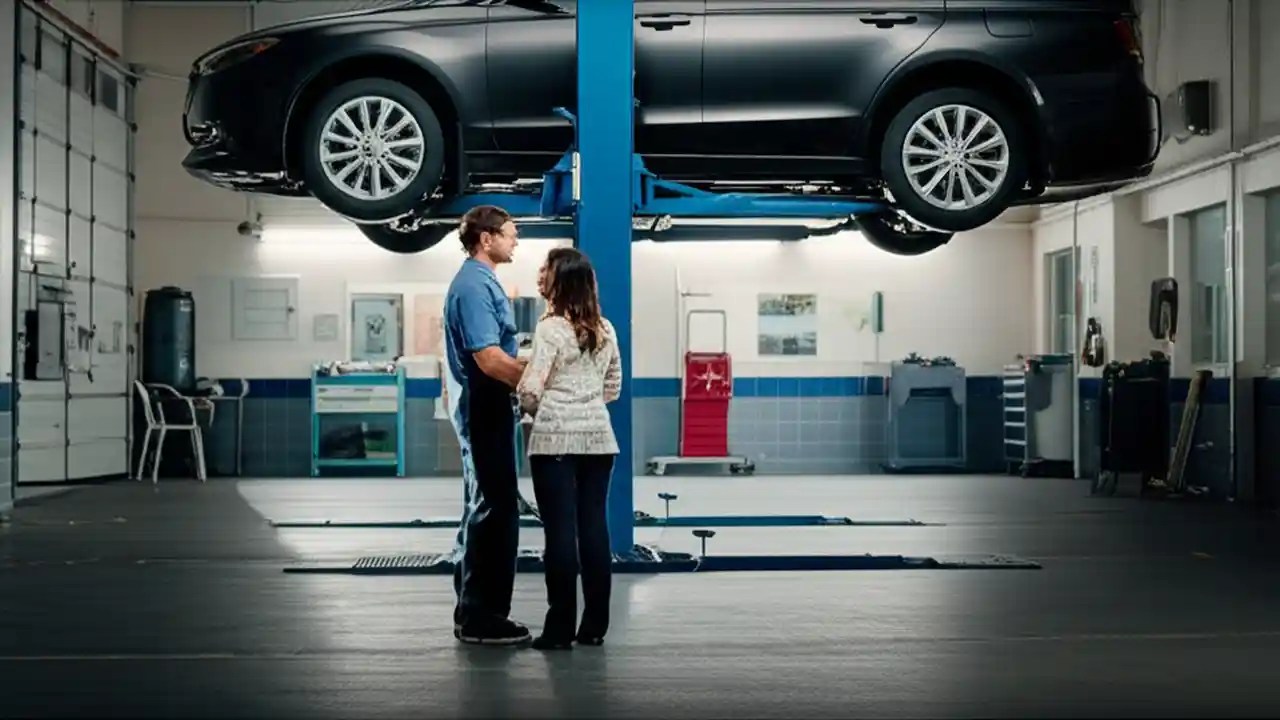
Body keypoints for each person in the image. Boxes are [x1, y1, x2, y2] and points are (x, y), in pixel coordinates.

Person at [516, 247, 621, 650]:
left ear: (559, 281)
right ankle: (594, 627)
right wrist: (586, 405)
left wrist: (536, 408)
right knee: (594, 529)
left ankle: (559, 629)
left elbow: (530, 388)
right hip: (599, 439)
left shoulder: (550, 329)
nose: (539, 273)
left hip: (555, 441)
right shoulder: (606, 329)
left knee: (559, 533)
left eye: (546, 268)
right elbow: (613, 386)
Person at [442, 204, 531, 646]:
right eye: (510, 235)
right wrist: (541, 384)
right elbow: (490, 360)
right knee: (494, 510)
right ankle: (481, 617)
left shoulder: (481, 281)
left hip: (489, 403)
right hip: (484, 402)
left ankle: (475, 610)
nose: (515, 242)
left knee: (487, 505)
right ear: (486, 239)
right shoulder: (474, 287)